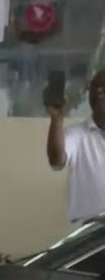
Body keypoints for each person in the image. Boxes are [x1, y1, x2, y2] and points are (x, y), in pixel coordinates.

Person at [46, 71, 105, 223]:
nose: (99, 90)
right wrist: (56, 117)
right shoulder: (77, 134)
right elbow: (56, 161)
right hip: (88, 233)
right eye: (95, 86)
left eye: (104, 86)